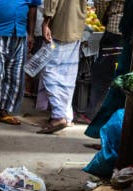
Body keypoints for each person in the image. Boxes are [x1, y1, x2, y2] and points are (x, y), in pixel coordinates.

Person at [85, 0, 133, 138]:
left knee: (104, 76)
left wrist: (103, 17)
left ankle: (96, 118)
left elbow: (102, 2)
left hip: (117, 30)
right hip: (132, 34)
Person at [37, 0, 86, 134]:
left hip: (60, 26)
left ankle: (59, 116)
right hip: (76, 26)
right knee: (68, 74)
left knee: (48, 71)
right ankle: (67, 115)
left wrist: (46, 22)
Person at [87, 1, 126, 118]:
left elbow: (101, 2)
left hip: (115, 28)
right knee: (123, 73)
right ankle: (117, 114)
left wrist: (102, 17)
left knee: (103, 73)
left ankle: (95, 113)